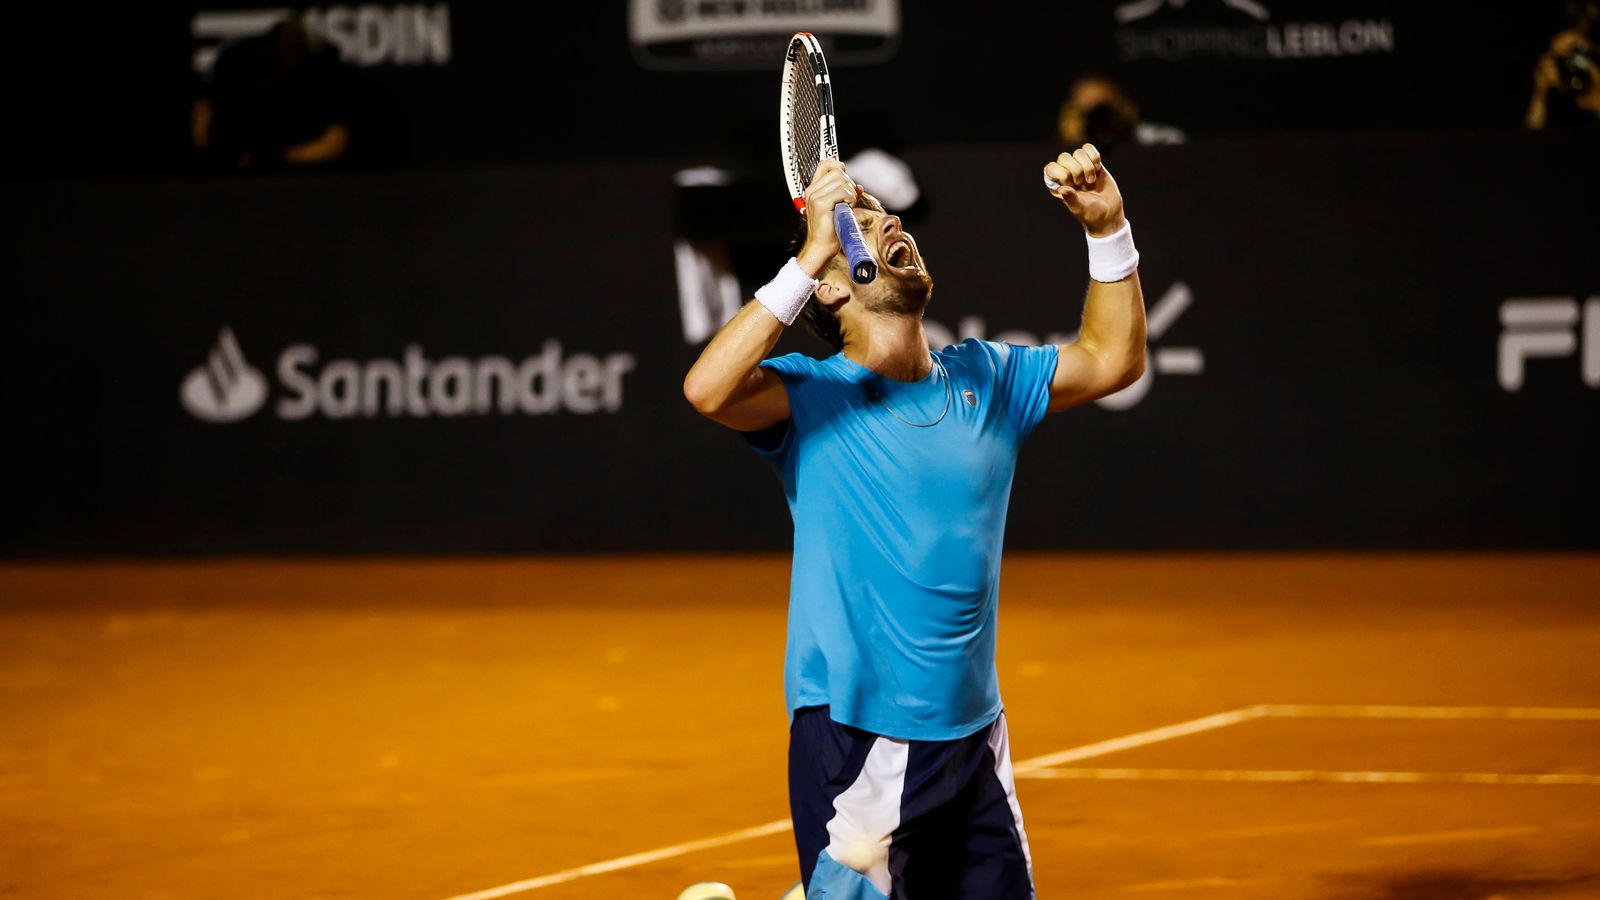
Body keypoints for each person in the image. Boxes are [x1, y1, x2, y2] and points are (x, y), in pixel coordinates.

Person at [682, 144, 1146, 899]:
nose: (890, 222)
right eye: (863, 228)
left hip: (974, 735)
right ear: (832, 293)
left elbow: (1111, 358)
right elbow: (707, 390)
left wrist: (1108, 228)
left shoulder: (988, 377)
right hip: (859, 735)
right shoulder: (811, 397)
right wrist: (809, 258)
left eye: (884, 214)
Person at [192, 17, 354, 169]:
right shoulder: (237, 60)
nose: (287, 63)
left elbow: (335, 141)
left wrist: (279, 158)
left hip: (301, 174)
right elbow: (203, 116)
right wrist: (217, 152)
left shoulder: (325, 67)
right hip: (228, 167)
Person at [1058, 74, 1184, 150]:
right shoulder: (1065, 156)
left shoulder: (1161, 140)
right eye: (1090, 114)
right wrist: (1072, 142)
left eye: (1104, 111)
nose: (1100, 121)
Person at [1525, 4, 1600, 130]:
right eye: (1562, 59)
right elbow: (1527, 142)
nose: (1571, 65)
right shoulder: (1556, 98)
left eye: (1577, 55)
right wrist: (1540, 95)